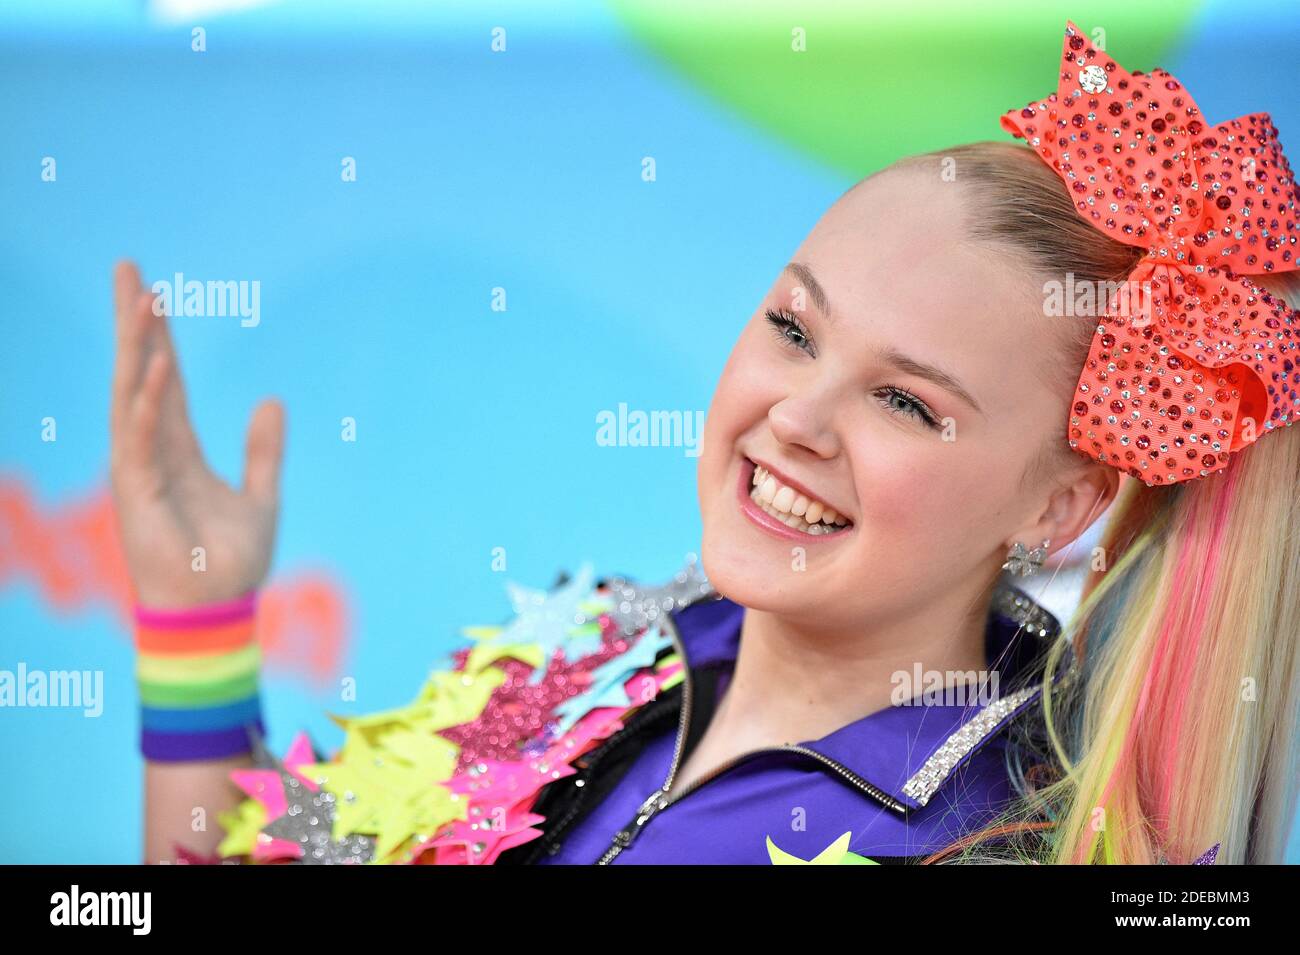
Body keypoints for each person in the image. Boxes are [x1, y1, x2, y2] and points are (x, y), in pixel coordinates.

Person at [115, 21, 1299, 865]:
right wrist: (191, 617)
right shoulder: (598, 644)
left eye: (904, 403)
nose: (794, 415)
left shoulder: (982, 846)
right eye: (793, 326)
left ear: (1057, 504)